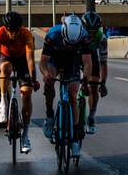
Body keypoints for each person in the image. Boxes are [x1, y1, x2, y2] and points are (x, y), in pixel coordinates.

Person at [39, 14, 94, 158]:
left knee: (72, 94)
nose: (70, 46)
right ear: (63, 33)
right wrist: (45, 74)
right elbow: (43, 61)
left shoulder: (84, 36)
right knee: (49, 81)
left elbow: (88, 63)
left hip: (73, 61)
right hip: (55, 59)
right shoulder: (53, 34)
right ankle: (50, 115)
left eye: (73, 44)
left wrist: (85, 82)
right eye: (68, 43)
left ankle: (75, 139)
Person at [0, 10, 36, 153]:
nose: (14, 34)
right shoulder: (0, 34)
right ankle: (3, 102)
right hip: (7, 57)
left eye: (17, 30)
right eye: (11, 30)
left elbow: (30, 59)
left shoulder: (26, 34)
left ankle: (25, 135)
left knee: (26, 93)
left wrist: (33, 78)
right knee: (5, 69)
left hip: (22, 59)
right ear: (6, 28)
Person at [81, 11, 109, 133]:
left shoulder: (101, 38)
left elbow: (103, 62)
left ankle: (91, 116)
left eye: (95, 31)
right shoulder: (78, 34)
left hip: (91, 56)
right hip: (76, 54)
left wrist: (103, 82)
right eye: (89, 31)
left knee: (93, 87)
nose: (92, 34)